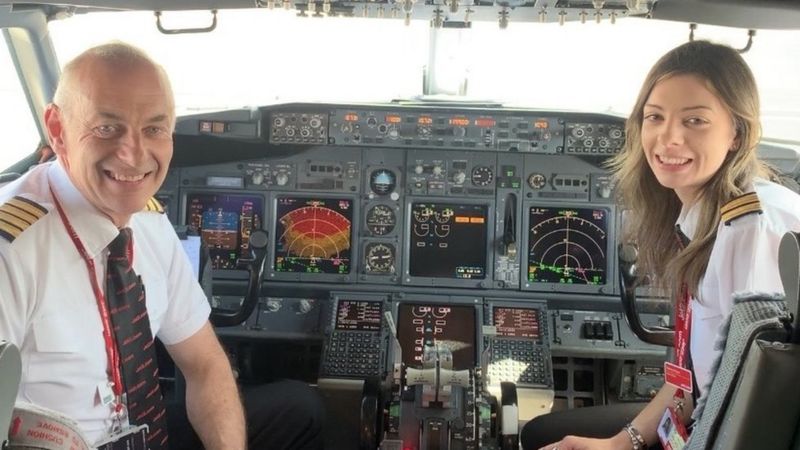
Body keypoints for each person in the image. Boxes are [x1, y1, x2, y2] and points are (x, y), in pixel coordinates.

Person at [0, 42, 323, 449]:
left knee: (299, 408)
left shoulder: (149, 223)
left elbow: (205, 365)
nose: (134, 156)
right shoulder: (12, 250)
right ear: (58, 129)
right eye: (107, 128)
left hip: (137, 432)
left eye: (153, 129)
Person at [521, 40, 800, 450]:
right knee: (543, 433)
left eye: (695, 121)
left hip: (730, 431)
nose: (668, 138)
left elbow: (759, 408)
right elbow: (694, 374)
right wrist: (621, 443)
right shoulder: (701, 218)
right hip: (708, 416)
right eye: (655, 117)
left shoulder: (753, 229)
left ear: (737, 133)